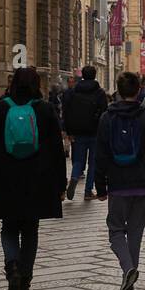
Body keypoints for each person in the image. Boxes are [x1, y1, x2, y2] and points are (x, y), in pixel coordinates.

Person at [0, 66, 66, 290]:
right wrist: (60, 185)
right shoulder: (45, 109)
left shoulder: (2, 108)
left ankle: (12, 267)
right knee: (30, 230)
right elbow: (57, 151)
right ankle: (25, 281)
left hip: (6, 178)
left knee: (8, 227)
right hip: (38, 179)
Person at [95, 71, 145, 290]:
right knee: (135, 234)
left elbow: (100, 154)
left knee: (116, 230)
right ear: (138, 91)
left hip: (117, 183)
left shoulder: (107, 118)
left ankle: (128, 269)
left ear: (117, 90)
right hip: (142, 183)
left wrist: (100, 186)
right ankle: (129, 284)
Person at [61, 65, 108, 201]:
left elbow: (67, 112)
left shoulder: (74, 91)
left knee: (78, 159)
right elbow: (104, 113)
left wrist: (68, 131)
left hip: (78, 131)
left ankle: (75, 176)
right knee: (93, 162)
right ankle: (88, 191)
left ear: (82, 75)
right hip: (95, 132)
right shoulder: (99, 92)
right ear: (94, 75)